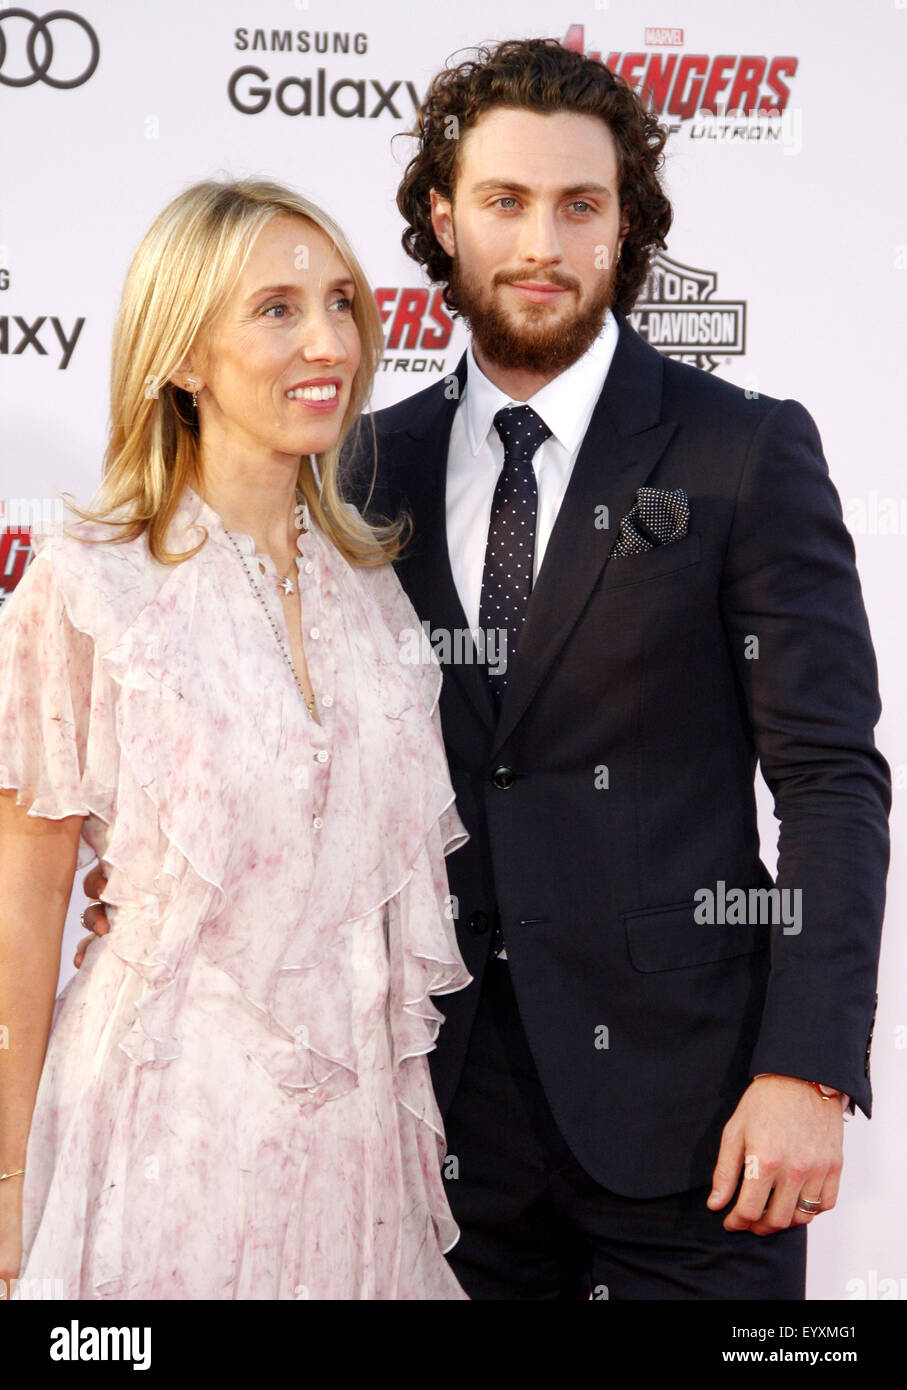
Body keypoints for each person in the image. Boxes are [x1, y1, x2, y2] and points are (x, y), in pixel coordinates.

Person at [79, 39, 891, 1300]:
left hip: (700, 1130)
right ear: (441, 220)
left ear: (628, 228)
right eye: (504, 202)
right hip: (426, 1135)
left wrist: (809, 1066)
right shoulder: (353, 475)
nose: (541, 245)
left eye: (581, 205)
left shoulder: (742, 454)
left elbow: (833, 781)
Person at [0, 178, 471, 1300]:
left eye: (340, 303)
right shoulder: (86, 586)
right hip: (160, 1136)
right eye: (275, 309)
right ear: (183, 357)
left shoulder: (374, 594)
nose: (328, 341)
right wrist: (7, 1182)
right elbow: (19, 920)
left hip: (350, 1153)